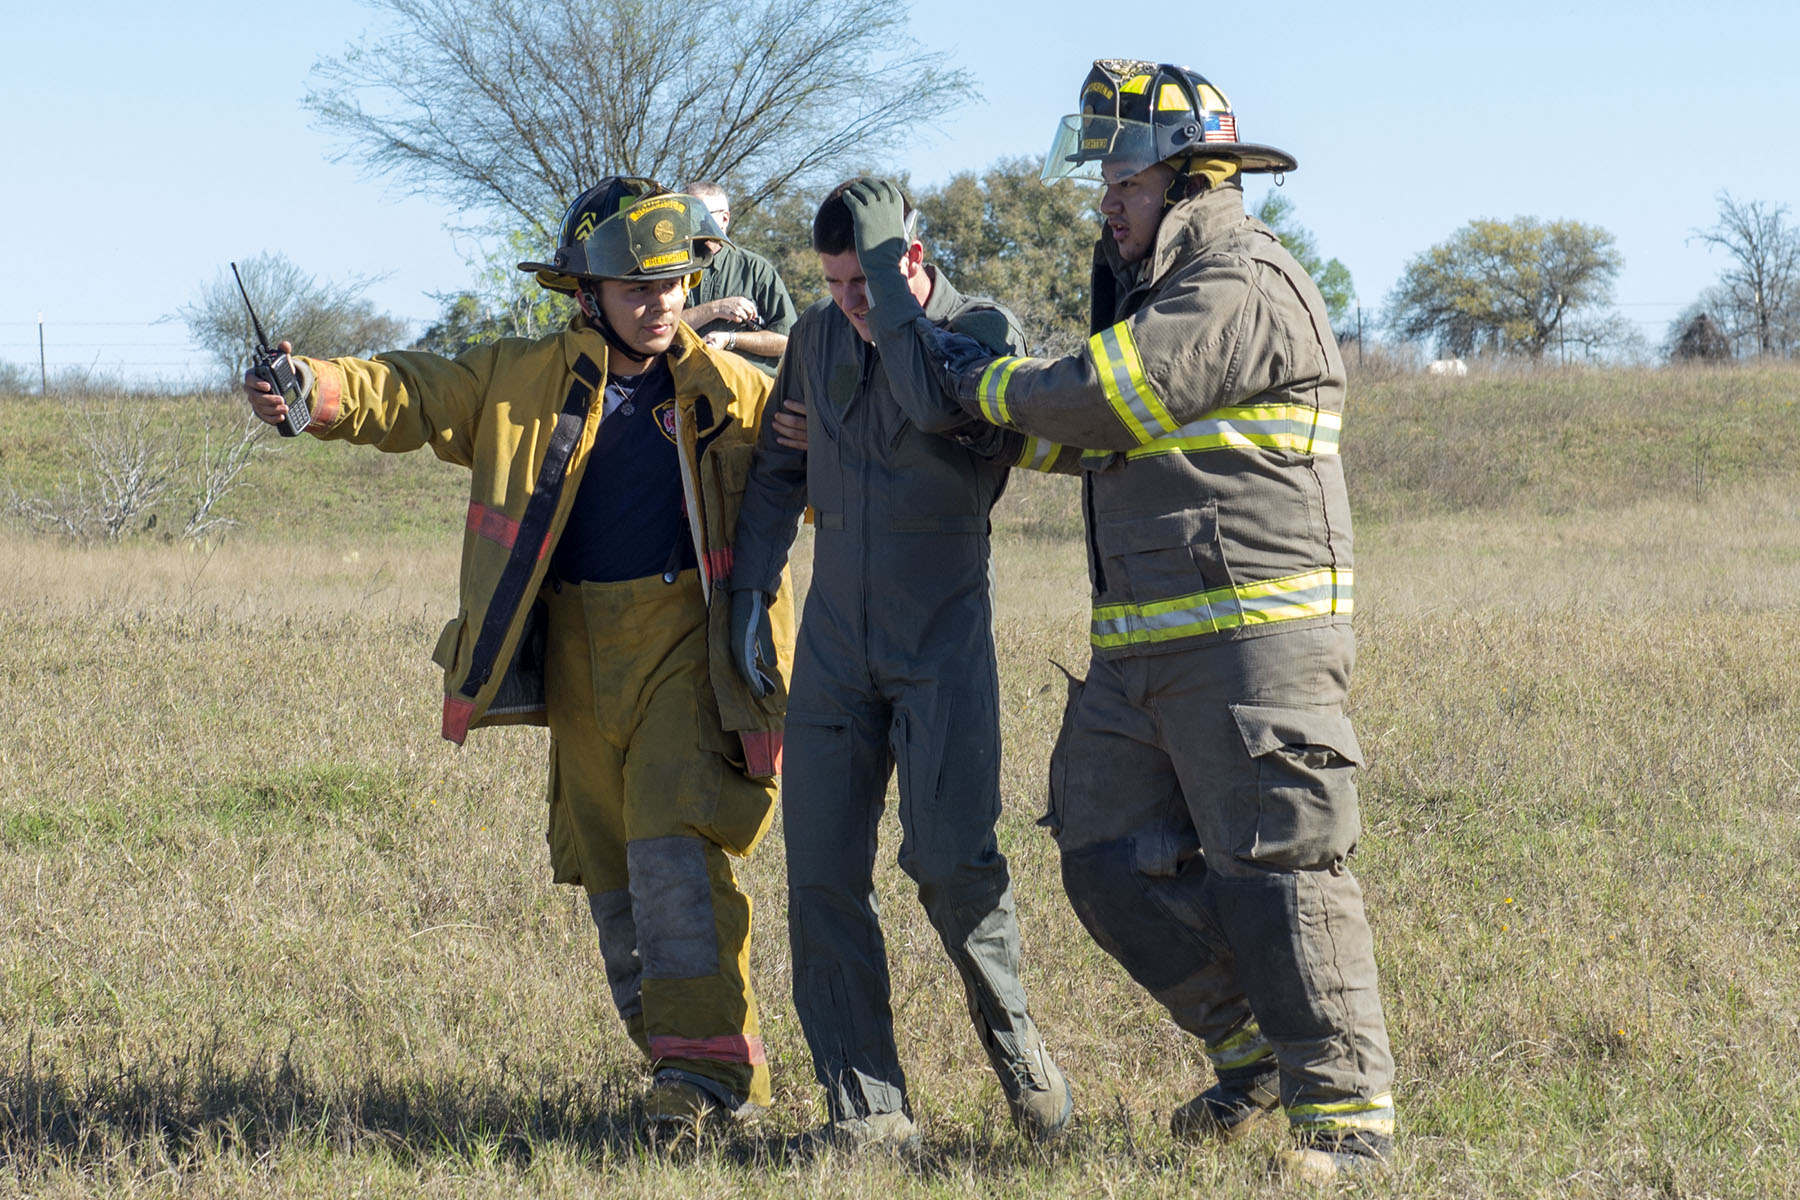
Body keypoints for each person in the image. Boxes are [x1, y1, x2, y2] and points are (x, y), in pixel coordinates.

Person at [846, 61, 1397, 1183]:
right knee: (1102, 857)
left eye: (1124, 180)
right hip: (1142, 650)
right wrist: (991, 415)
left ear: (1191, 182)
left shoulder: (1239, 283)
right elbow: (1094, 440)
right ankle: (1249, 1055)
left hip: (1250, 645)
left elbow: (1110, 396)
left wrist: (988, 382)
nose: (1105, 201)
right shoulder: (1158, 295)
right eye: (1102, 178)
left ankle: (1347, 1123)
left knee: (1282, 870)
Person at [241, 177, 799, 1135]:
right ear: (585, 293)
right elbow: (410, 391)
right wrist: (311, 390)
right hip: (580, 657)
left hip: (689, 652)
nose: (662, 303)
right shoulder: (519, 379)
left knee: (673, 846)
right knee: (615, 870)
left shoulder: (735, 390)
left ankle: (711, 1079)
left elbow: (841, 468)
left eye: (673, 283)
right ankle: (674, 1062)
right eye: (637, 287)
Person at [728, 179, 1077, 1152]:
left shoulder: (981, 332)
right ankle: (869, 1114)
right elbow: (779, 474)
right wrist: (749, 592)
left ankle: (1023, 1064)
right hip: (835, 648)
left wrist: (889, 312)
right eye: (834, 283)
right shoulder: (815, 337)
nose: (846, 302)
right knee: (823, 878)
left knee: (952, 864)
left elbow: (929, 404)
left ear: (908, 260)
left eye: (864, 280)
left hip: (941, 642)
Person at [680, 180, 799, 376]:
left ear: (724, 219)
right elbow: (659, 326)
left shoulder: (756, 269)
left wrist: (730, 339)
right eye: (686, 214)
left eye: (700, 214)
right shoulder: (671, 270)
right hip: (684, 388)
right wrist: (715, 309)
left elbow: (785, 341)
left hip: (746, 390)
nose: (690, 222)